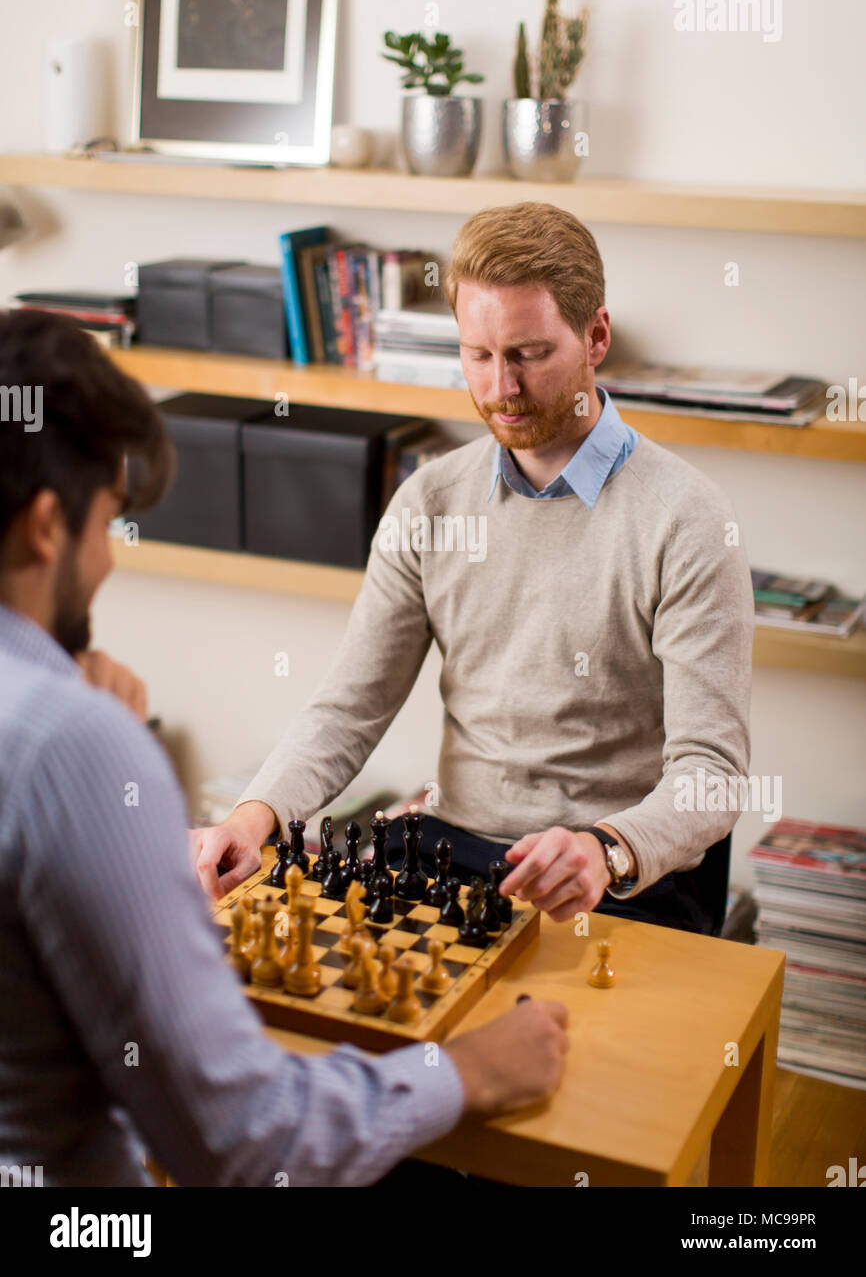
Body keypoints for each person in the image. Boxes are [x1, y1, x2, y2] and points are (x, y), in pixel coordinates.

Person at [0, 309, 568, 1187]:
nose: (109, 562)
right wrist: (467, 1070)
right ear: (46, 528)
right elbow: (246, 1138)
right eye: (109, 521)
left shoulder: (59, 722)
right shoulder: (73, 746)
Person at [195, 202, 754, 936]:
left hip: (620, 882)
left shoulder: (686, 519)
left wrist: (606, 849)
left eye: (528, 354)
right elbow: (348, 708)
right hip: (457, 855)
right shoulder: (428, 500)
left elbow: (711, 778)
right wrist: (252, 817)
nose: (500, 389)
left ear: (596, 337)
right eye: (479, 355)